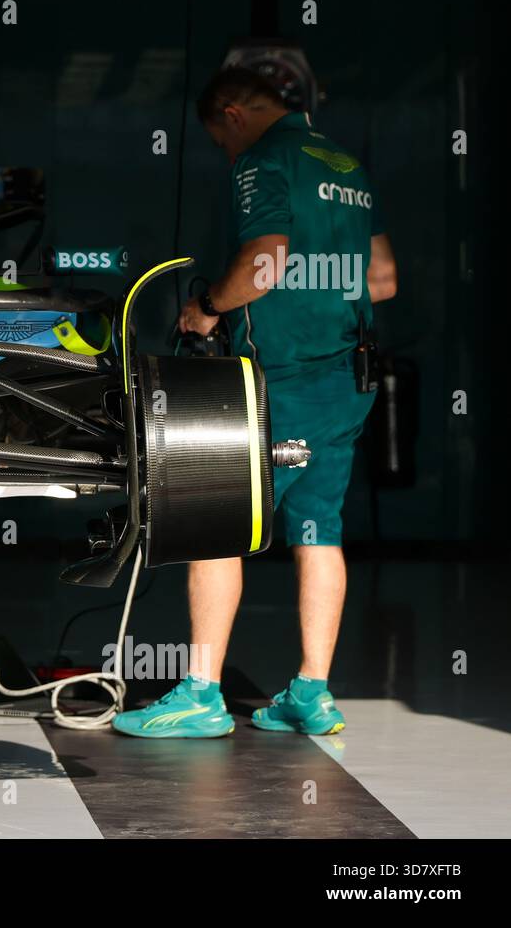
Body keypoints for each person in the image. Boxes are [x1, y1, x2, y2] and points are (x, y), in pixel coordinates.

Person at [113, 67, 397, 739]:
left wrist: (208, 307)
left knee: (216, 521)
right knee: (318, 531)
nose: (226, 155)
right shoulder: (344, 162)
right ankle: (312, 693)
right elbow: (382, 281)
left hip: (279, 379)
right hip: (344, 379)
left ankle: (201, 694)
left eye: (220, 140)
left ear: (233, 114)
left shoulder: (265, 161)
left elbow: (265, 261)